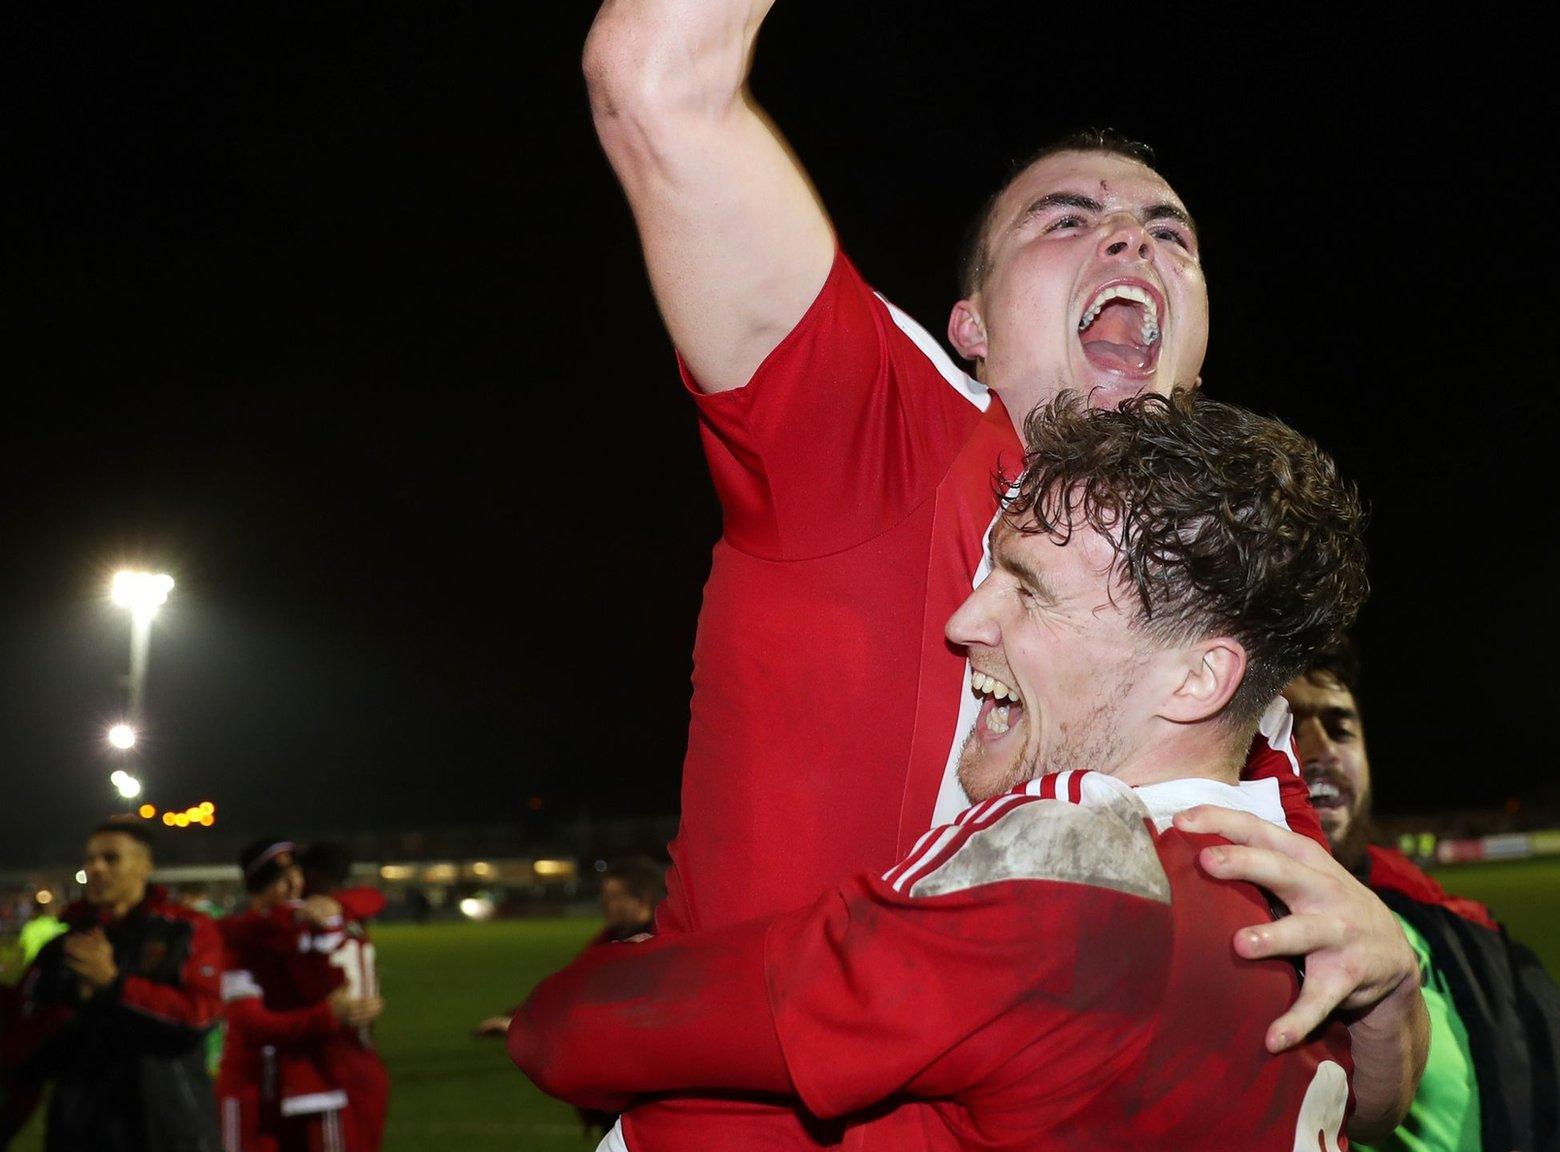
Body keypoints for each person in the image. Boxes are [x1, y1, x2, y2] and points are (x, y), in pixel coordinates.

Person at [580, 1, 1421, 1143]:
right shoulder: (875, 434)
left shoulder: (1227, 656)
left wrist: (1388, 994)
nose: (1130, 242)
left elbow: (1349, 1098)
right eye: (1066, 219)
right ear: (969, 325)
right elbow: (656, 80)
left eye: (1169, 234)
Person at [514, 391, 1420, 1149]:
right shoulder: (1293, 876)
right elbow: (1372, 1105)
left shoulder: (1080, 876)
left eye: (1028, 590)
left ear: (1197, 679)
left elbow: (570, 1033)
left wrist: (603, 985)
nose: (965, 620)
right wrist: (1398, 993)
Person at [1281, 645, 1560, 1152]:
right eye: (1285, 725)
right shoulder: (1200, 938)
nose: (1321, 748)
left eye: (1341, 728)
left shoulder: (1473, 938)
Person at [1, 817, 225, 1151]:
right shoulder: (64, 945)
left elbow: (198, 1016)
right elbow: (26, 1044)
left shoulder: (186, 931)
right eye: (90, 859)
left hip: (167, 1129)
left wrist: (114, 984)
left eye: (111, 858)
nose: (96, 868)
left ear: (145, 866)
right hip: (80, 1131)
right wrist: (73, 1002)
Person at [215, 839, 383, 1152]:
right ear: (259, 887)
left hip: (307, 1081)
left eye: (297, 875)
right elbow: (250, 1024)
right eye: (282, 880)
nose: (295, 886)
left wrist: (338, 906)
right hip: (253, 1086)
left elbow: (371, 898)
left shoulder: (305, 926)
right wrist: (328, 1015)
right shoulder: (239, 939)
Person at [478, 857, 665, 1139]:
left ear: (644, 898)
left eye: (614, 896)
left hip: (647, 1086)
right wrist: (518, 1017)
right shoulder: (605, 942)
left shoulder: (664, 943)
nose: (606, 904)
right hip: (611, 1086)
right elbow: (569, 990)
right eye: (604, 896)